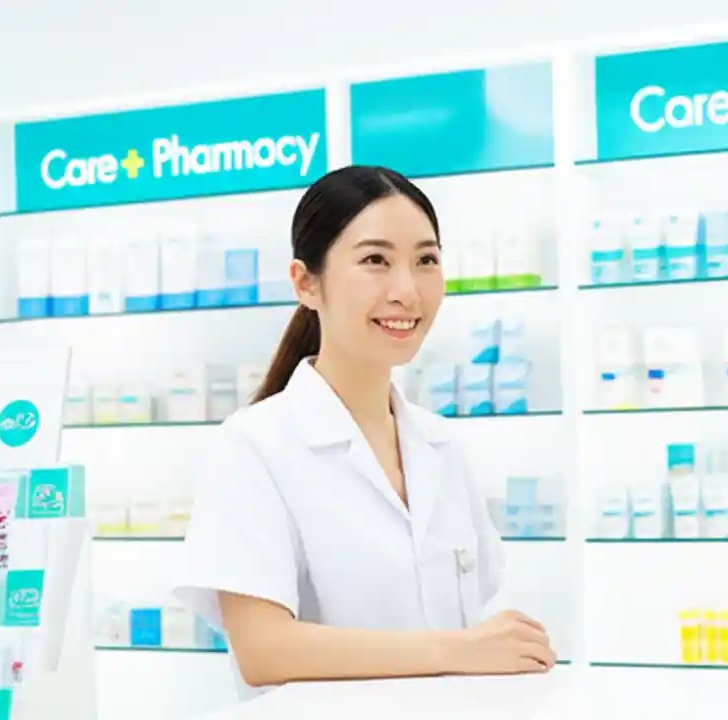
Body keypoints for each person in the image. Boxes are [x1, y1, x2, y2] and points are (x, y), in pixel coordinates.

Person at [174, 166, 556, 696]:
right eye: (376, 260)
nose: (407, 290)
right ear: (306, 283)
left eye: (426, 260)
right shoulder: (255, 445)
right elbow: (263, 650)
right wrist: (456, 649)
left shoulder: (439, 445)